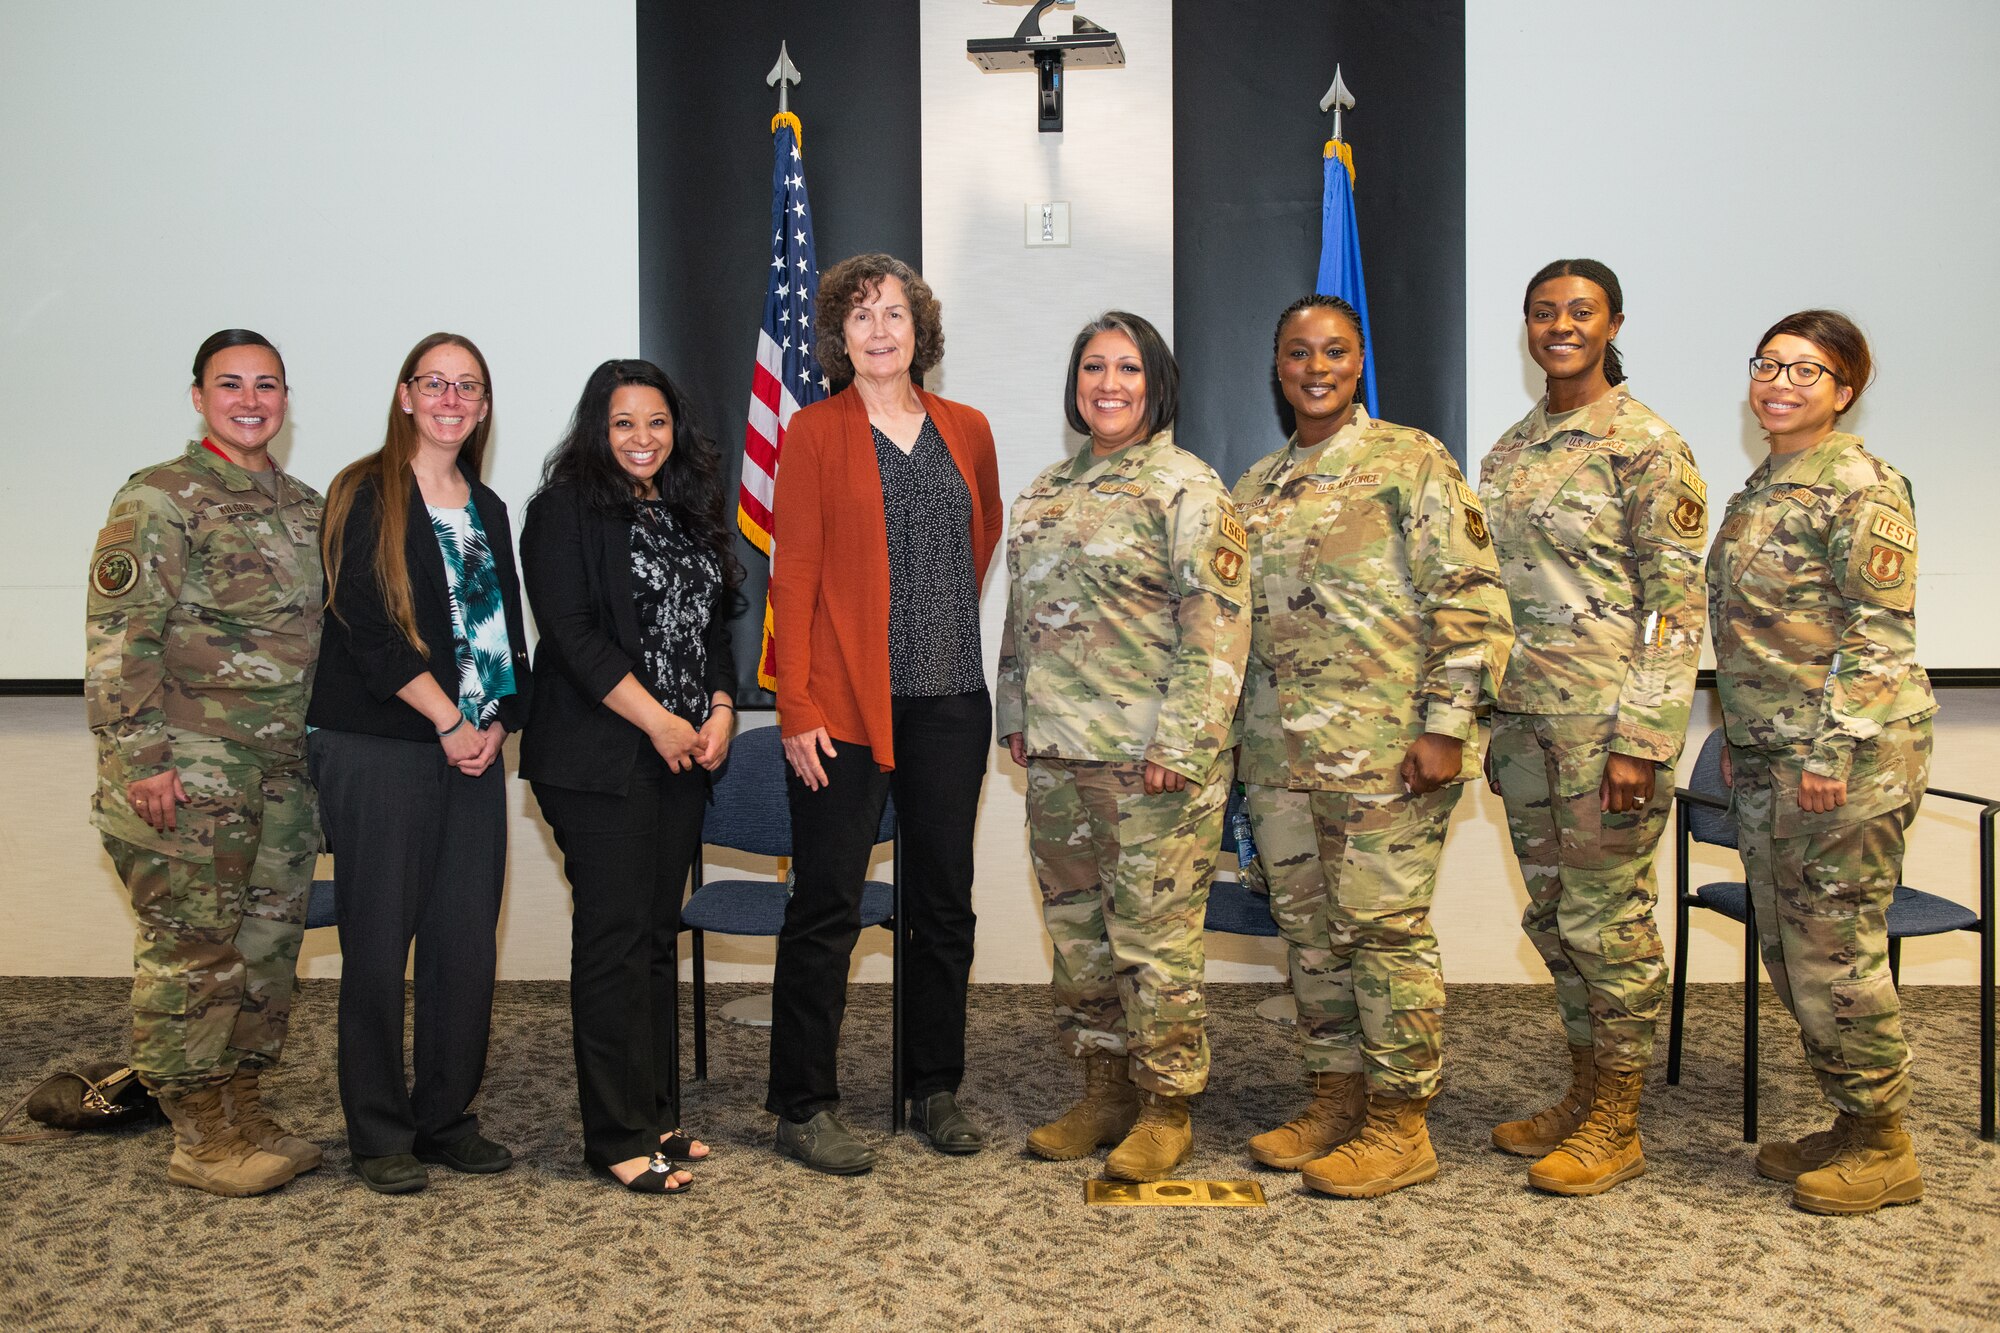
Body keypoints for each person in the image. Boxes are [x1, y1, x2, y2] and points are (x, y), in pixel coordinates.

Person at [1233, 296, 1514, 1198]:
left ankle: (1400, 1123)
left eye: (1335, 351)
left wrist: (1447, 725)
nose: (1316, 367)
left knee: (1384, 937)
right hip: (1279, 765)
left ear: (1360, 362)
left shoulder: (1411, 461)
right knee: (1311, 940)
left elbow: (1470, 599)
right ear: (1276, 366)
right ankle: (1336, 1098)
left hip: (1385, 756)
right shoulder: (1255, 486)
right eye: (1297, 352)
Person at [999, 311, 1250, 1183]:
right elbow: (1021, 620)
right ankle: (1104, 1087)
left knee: (1155, 942)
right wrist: (1016, 714)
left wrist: (1182, 745)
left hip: (1152, 761)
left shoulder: (1186, 488)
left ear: (1156, 384)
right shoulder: (1042, 492)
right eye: (1094, 367)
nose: (1110, 383)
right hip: (1061, 759)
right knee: (1079, 941)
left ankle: (1167, 1106)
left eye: (1128, 368)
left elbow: (1216, 629)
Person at [767, 253, 1003, 1173]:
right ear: (839, 335)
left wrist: (932, 633)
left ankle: (932, 1085)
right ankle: (804, 1103)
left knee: (943, 903)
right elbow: (794, 574)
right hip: (844, 708)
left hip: (950, 700)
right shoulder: (815, 433)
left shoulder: (968, 428)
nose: (878, 330)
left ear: (920, 330)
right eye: (860, 316)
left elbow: (977, 536)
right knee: (825, 904)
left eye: (894, 314)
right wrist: (796, 706)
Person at [1480, 259, 1707, 1195]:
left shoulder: (1646, 445)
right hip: (1527, 725)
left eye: (1580, 312)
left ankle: (1619, 1115)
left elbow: (1675, 605)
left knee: (1610, 921)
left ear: (1614, 324)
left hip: (1607, 730)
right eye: (1544, 312)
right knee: (1554, 917)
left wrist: (1645, 740)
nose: (1560, 325)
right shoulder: (1510, 448)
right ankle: (1582, 1088)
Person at [85, 329, 323, 1196]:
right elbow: (121, 639)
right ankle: (197, 1134)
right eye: (231, 384)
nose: (251, 399)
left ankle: (243, 1104)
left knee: (263, 948)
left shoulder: (303, 505)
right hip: (186, 770)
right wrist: (140, 760)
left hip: (278, 773)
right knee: (191, 951)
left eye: (267, 384)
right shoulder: (159, 497)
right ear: (198, 397)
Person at [1710, 310, 1935, 1216]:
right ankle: (1851, 1119)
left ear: (1845, 392)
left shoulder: (1860, 485)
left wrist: (1830, 749)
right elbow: (1753, 629)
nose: (1781, 383)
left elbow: (1878, 631)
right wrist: (1740, 733)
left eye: (1808, 372)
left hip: (1845, 757)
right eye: (1769, 364)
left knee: (1836, 950)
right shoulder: (1765, 484)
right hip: (1776, 750)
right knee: (1792, 947)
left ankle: (1886, 1143)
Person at [309, 332, 532, 1194]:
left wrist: (499, 723)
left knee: (463, 943)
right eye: (434, 382)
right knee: (376, 941)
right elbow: (366, 624)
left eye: (468, 386)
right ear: (405, 395)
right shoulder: (363, 491)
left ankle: (445, 1116)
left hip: (473, 752)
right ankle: (378, 1130)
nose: (451, 398)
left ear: (482, 405)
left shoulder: (489, 505)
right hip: (383, 748)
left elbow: (503, 635)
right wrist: (446, 718)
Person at [520, 359, 740, 1196]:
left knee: (654, 937)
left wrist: (720, 709)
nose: (642, 439)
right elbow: (573, 637)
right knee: (612, 942)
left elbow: (714, 624)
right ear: (595, 430)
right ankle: (613, 1136)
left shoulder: (684, 507)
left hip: (683, 755)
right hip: (599, 761)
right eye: (623, 423)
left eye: (656, 422)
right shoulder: (562, 511)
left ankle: (655, 1115)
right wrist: (659, 722)